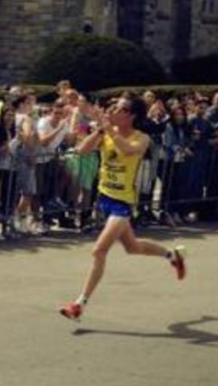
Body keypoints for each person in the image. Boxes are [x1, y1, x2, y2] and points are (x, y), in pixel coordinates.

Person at [60, 96, 187, 321]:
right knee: (132, 247)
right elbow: (81, 150)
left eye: (120, 108)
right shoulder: (106, 134)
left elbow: (128, 150)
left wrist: (108, 128)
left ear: (131, 116)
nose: (114, 110)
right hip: (104, 198)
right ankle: (173, 255)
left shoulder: (143, 138)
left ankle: (79, 304)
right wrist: (100, 130)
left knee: (99, 251)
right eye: (114, 107)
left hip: (122, 203)